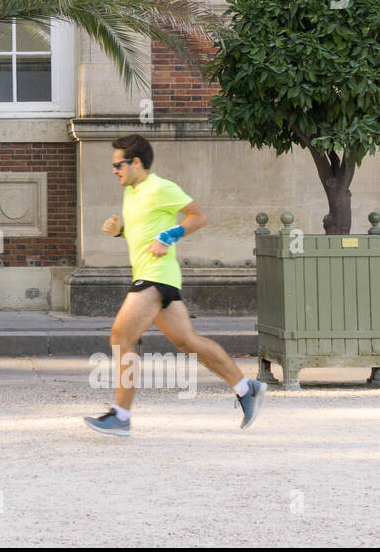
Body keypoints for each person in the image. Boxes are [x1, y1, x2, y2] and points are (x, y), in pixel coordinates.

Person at [84, 134, 267, 437]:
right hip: (156, 276)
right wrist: (121, 232)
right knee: (187, 342)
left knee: (120, 336)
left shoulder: (161, 187)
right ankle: (246, 388)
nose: (114, 170)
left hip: (156, 276)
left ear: (136, 162)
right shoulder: (132, 193)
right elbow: (145, 234)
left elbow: (199, 216)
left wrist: (170, 236)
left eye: (118, 164)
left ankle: (121, 415)